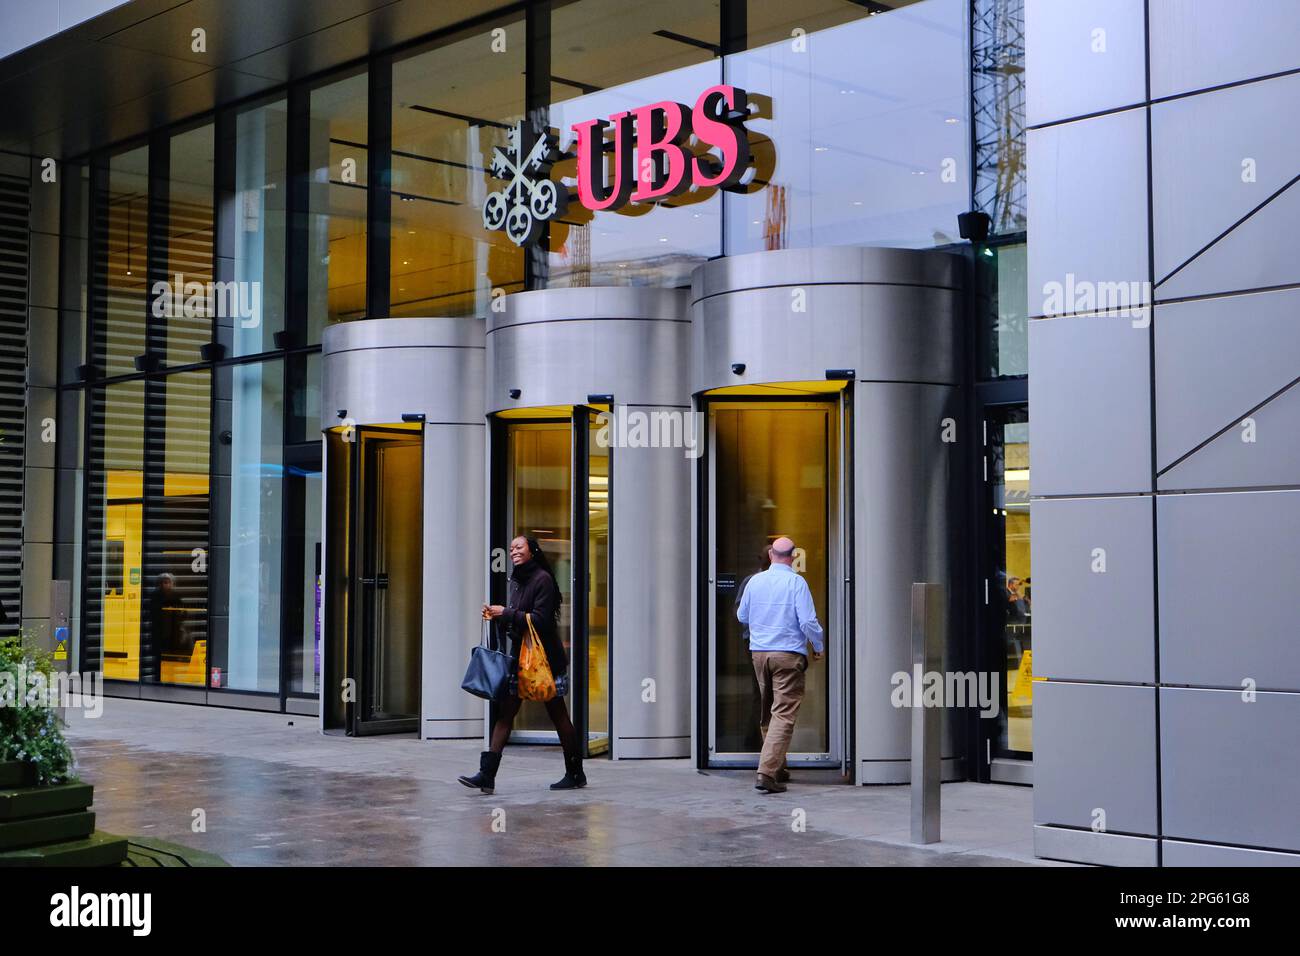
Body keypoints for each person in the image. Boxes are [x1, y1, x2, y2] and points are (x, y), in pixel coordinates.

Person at [458, 535, 586, 795]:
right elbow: (517, 621)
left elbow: (541, 621)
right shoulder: (517, 580)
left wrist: (505, 613)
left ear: (532, 551)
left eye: (519, 547)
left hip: (543, 662)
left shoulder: (543, 580)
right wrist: (497, 616)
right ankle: (487, 775)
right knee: (505, 714)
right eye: (512, 548)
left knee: (558, 715)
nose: (514, 551)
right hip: (520, 660)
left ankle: (575, 773)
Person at [736, 536, 823, 794]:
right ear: (793, 556)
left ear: (772, 555)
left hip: (759, 654)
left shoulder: (755, 582)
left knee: (768, 711)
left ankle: (777, 766)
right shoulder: (796, 582)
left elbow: (742, 615)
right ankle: (766, 772)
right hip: (787, 654)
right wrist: (818, 646)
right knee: (784, 713)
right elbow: (807, 621)